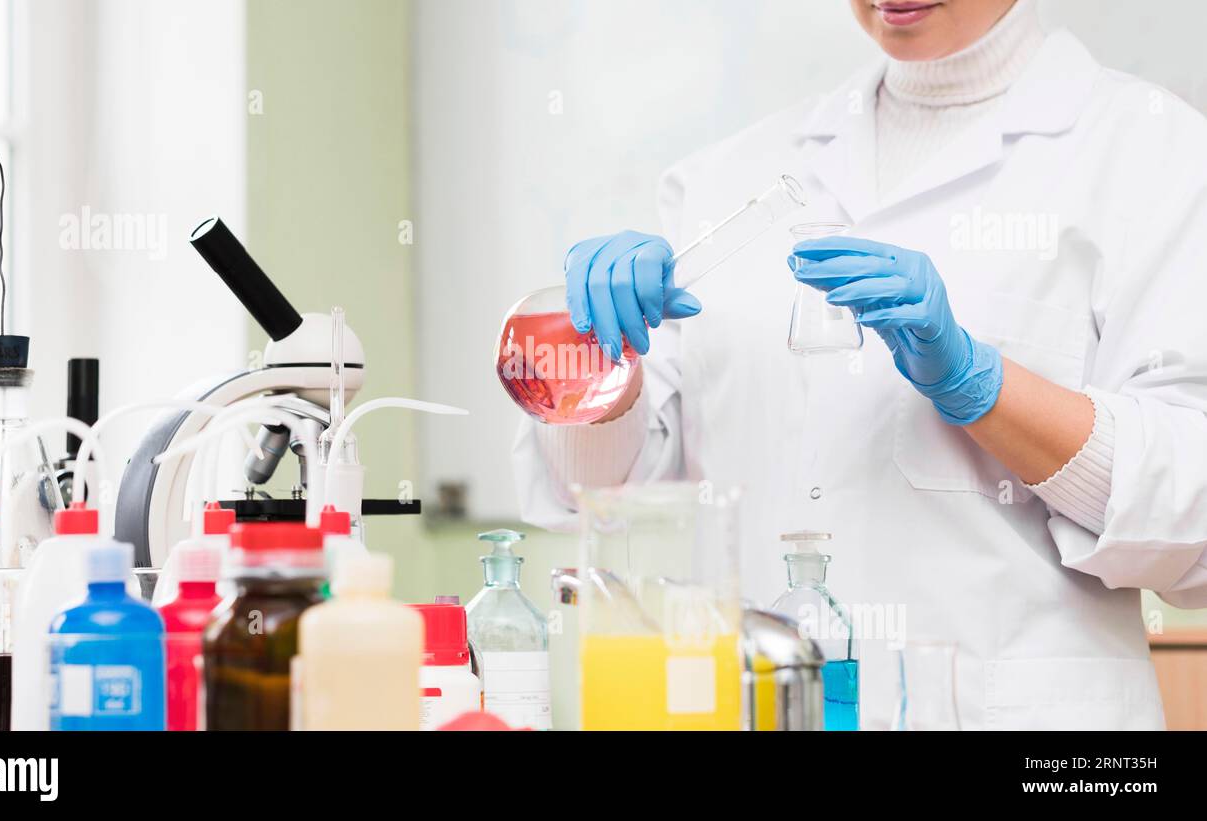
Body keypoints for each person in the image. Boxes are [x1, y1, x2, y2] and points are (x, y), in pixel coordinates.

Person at [511, 0, 1207, 730]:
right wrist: (598, 374)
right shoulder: (727, 180)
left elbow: (1190, 513)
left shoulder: (1152, 156)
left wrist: (983, 387)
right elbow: (604, 496)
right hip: (759, 707)